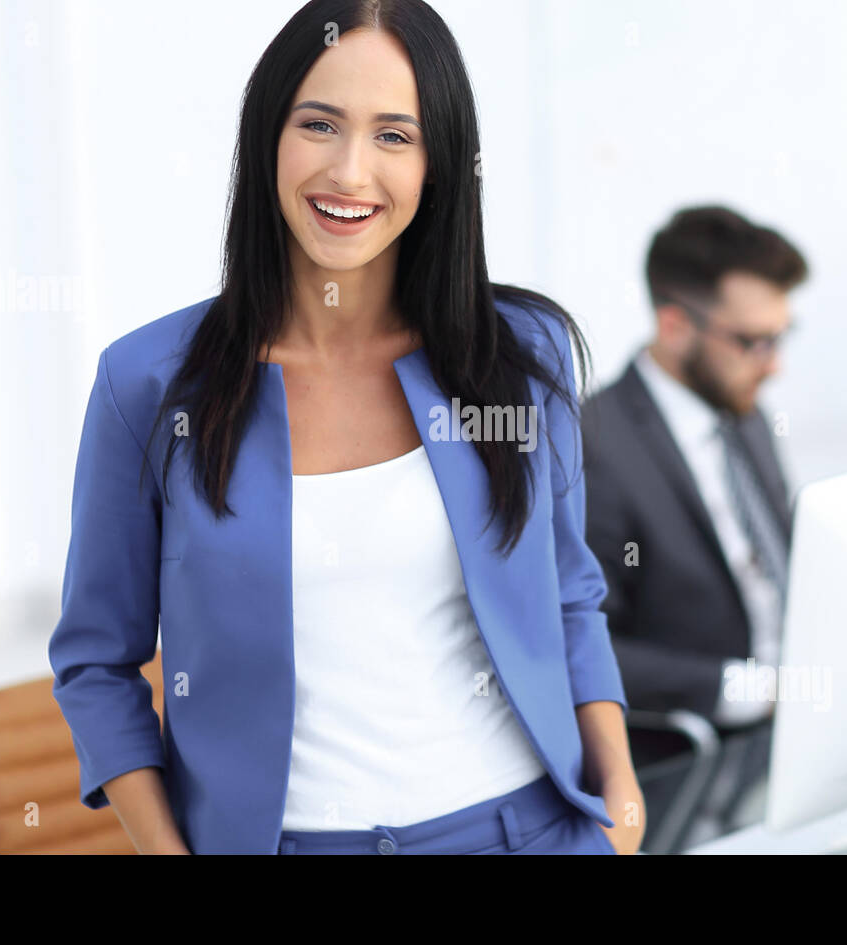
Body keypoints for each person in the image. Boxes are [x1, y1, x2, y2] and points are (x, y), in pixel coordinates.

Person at [47, 0, 642, 855]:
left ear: (439, 163)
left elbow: (568, 591)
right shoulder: (147, 383)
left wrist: (618, 801)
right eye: (319, 124)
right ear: (267, 139)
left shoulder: (520, 354)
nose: (351, 171)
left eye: (394, 136)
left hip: (533, 831)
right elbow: (96, 664)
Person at [580, 205, 807, 847]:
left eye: (780, 338)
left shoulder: (743, 413)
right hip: (699, 754)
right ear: (675, 324)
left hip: (792, 725)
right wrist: (753, 690)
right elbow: (584, 646)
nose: (774, 365)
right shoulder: (593, 445)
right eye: (752, 341)